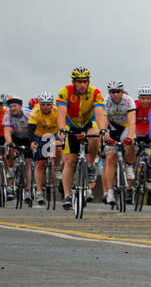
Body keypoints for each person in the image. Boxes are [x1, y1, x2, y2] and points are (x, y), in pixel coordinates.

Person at [55, 67, 107, 209]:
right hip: (70, 125)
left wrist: (103, 129)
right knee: (69, 161)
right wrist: (61, 129)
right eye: (79, 82)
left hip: (87, 124)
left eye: (85, 81)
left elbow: (99, 112)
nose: (82, 85)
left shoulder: (95, 93)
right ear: (73, 82)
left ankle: (90, 165)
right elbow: (61, 112)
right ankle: (66, 196)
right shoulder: (65, 91)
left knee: (95, 135)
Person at [100, 80, 136, 207]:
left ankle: (129, 165)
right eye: (112, 92)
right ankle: (110, 192)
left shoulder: (128, 101)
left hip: (125, 127)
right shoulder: (105, 102)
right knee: (110, 158)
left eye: (118, 91)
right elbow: (103, 121)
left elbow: (132, 122)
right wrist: (105, 135)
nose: (115, 94)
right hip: (112, 128)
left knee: (130, 144)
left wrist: (130, 137)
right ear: (109, 92)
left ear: (122, 91)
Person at [26, 92, 59, 206]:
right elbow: (30, 129)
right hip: (39, 135)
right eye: (43, 104)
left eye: (48, 104)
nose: (45, 106)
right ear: (40, 104)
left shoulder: (57, 110)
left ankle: (57, 168)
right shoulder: (36, 111)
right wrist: (32, 142)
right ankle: (39, 192)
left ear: (51, 104)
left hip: (53, 134)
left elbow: (63, 124)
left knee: (59, 147)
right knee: (40, 163)